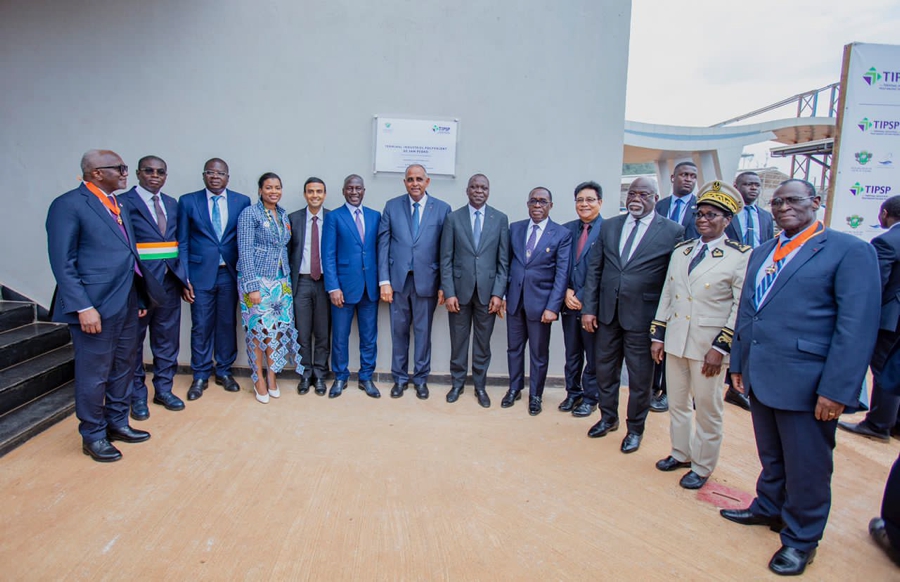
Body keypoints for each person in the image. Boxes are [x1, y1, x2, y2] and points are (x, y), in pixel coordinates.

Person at [722, 179, 880, 576]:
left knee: (808, 465)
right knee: (772, 454)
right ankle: (769, 507)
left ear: (816, 202)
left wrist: (837, 390)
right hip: (762, 374)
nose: (783, 207)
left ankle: (801, 539)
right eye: (777, 202)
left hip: (809, 382)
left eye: (792, 200)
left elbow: (856, 328)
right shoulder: (764, 252)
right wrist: (738, 364)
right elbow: (748, 312)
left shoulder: (849, 251)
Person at [46, 149, 160, 462]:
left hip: (126, 301)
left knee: (124, 366)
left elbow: (129, 255)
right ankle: (93, 434)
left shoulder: (118, 204)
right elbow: (63, 262)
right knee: (94, 373)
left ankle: (117, 423)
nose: (125, 173)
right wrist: (82, 307)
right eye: (120, 168)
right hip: (94, 306)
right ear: (97, 173)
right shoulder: (69, 204)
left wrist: (139, 297)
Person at [650, 181, 749, 490]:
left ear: (727, 220)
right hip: (677, 339)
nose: (703, 219)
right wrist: (658, 334)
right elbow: (669, 293)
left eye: (712, 215)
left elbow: (739, 306)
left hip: (708, 347)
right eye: (700, 214)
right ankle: (681, 452)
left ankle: (703, 465)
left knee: (707, 408)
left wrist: (722, 346)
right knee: (677, 403)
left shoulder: (739, 256)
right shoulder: (683, 251)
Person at [581, 177, 684, 454]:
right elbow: (595, 269)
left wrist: (663, 324)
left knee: (640, 379)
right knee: (605, 370)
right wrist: (589, 308)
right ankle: (608, 418)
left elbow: (673, 281)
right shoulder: (610, 226)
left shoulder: (673, 231)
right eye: (632, 193)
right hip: (607, 315)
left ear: (656, 198)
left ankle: (635, 429)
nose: (636, 198)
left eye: (644, 194)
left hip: (643, 318)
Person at [119, 156, 189, 420]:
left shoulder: (171, 203)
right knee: (134, 343)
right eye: (149, 171)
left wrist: (184, 279)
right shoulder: (123, 203)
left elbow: (178, 243)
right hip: (139, 284)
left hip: (170, 282)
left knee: (167, 339)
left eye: (160, 172)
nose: (155, 176)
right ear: (138, 173)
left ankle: (164, 389)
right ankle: (137, 395)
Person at [176, 158, 250, 400]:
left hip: (229, 273)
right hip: (199, 275)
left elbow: (244, 240)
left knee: (227, 324)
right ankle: (200, 374)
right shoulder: (188, 201)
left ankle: (224, 371)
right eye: (211, 172)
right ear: (204, 175)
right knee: (201, 325)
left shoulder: (241, 201)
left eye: (220, 173)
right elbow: (182, 242)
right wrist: (184, 278)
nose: (215, 177)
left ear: (228, 177)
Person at [377, 165, 451, 399]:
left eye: (419, 179)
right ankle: (399, 379)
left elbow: (446, 251)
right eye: (410, 179)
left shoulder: (442, 209)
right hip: (398, 282)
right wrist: (384, 281)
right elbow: (383, 245)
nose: (415, 183)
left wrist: (444, 285)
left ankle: (420, 379)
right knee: (398, 332)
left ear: (427, 182)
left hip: (428, 282)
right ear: (405, 182)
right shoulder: (392, 206)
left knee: (423, 333)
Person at [439, 174, 510, 408]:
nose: (479, 191)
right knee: (458, 341)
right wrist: (449, 292)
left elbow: (503, 261)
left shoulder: (500, 219)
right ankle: (457, 384)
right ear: (467, 190)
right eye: (474, 187)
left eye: (483, 187)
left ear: (488, 191)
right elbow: (446, 259)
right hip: (459, 293)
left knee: (482, 344)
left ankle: (480, 386)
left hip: (488, 294)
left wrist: (498, 293)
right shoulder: (453, 218)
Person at [503, 187, 572, 416]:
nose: (537, 205)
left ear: (551, 205)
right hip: (515, 301)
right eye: (533, 201)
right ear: (527, 204)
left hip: (541, 305)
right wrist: (503, 296)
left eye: (542, 201)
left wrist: (553, 307)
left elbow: (562, 274)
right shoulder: (515, 228)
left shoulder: (561, 234)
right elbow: (507, 264)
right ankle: (514, 389)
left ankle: (535, 395)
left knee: (538, 353)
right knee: (514, 349)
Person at [838, 195, 900, 441]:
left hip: (891, 319)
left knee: (884, 369)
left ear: (884, 213)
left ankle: (878, 424)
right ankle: (895, 422)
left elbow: (876, 284)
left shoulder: (886, 241)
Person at [237, 172, 302, 404]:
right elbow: (244, 250)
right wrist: (252, 286)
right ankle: (259, 380)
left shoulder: (283, 214)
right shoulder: (249, 214)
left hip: (281, 282)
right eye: (268, 187)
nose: (273, 191)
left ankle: (272, 376)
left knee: (275, 331)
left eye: (277, 187)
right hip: (257, 281)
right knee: (257, 331)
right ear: (260, 190)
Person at [322, 174, 381, 399]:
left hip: (370, 288)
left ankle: (366, 377)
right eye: (350, 188)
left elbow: (379, 251)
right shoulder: (334, 217)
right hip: (343, 289)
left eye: (358, 188)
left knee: (369, 337)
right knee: (340, 336)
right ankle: (340, 377)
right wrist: (333, 287)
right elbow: (328, 255)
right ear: (343, 191)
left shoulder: (375, 216)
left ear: (364, 191)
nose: (354, 192)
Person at [723, 170, 775, 410]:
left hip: (756, 280)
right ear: (737, 186)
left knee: (746, 330)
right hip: (728, 277)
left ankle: (738, 388)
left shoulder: (765, 217)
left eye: (756, 185)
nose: (753, 188)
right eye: (748, 184)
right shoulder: (727, 213)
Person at [650, 160, 700, 412]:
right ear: (673, 177)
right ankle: (653, 385)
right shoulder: (660, 206)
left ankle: (670, 391)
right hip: (658, 278)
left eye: (692, 176)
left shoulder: (700, 208)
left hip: (685, 279)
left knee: (678, 336)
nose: (688, 179)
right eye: (683, 175)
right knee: (657, 334)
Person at [560, 181, 603, 417]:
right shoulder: (566, 230)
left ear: (600, 203)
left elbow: (605, 270)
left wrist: (582, 294)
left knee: (593, 355)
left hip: (593, 306)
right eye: (580, 200)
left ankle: (590, 397)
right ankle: (572, 393)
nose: (584, 204)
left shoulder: (608, 230)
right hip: (569, 304)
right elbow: (559, 266)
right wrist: (566, 291)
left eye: (589, 200)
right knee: (572, 353)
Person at [288, 177, 330, 396]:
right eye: (311, 191)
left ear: (325, 194)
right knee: (302, 332)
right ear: (305, 194)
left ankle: (320, 374)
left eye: (319, 191)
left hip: (325, 283)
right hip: (301, 282)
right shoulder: (293, 218)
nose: (315, 195)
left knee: (323, 332)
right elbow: (287, 253)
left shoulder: (332, 218)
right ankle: (305, 373)